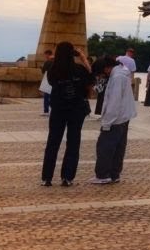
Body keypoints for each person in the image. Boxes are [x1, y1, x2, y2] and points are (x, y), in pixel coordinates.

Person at [41, 42, 94, 186]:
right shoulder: (79, 69)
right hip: (76, 109)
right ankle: (67, 177)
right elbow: (91, 78)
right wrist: (83, 58)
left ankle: (47, 177)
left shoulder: (53, 70)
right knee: (73, 142)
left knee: (53, 142)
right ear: (72, 54)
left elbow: (51, 83)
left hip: (58, 109)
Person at [92, 56, 138, 184]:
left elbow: (114, 102)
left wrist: (107, 122)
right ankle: (114, 174)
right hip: (124, 117)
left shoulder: (117, 77)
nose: (102, 76)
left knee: (104, 147)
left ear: (106, 68)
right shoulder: (122, 73)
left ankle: (103, 175)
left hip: (115, 119)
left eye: (101, 73)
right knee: (118, 148)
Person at [40, 49, 54, 115]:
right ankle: (54, 110)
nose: (45, 56)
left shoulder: (47, 62)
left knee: (46, 96)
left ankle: (46, 111)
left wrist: (41, 67)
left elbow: (43, 71)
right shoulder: (56, 61)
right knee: (53, 96)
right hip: (55, 81)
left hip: (48, 80)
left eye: (45, 55)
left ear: (48, 54)